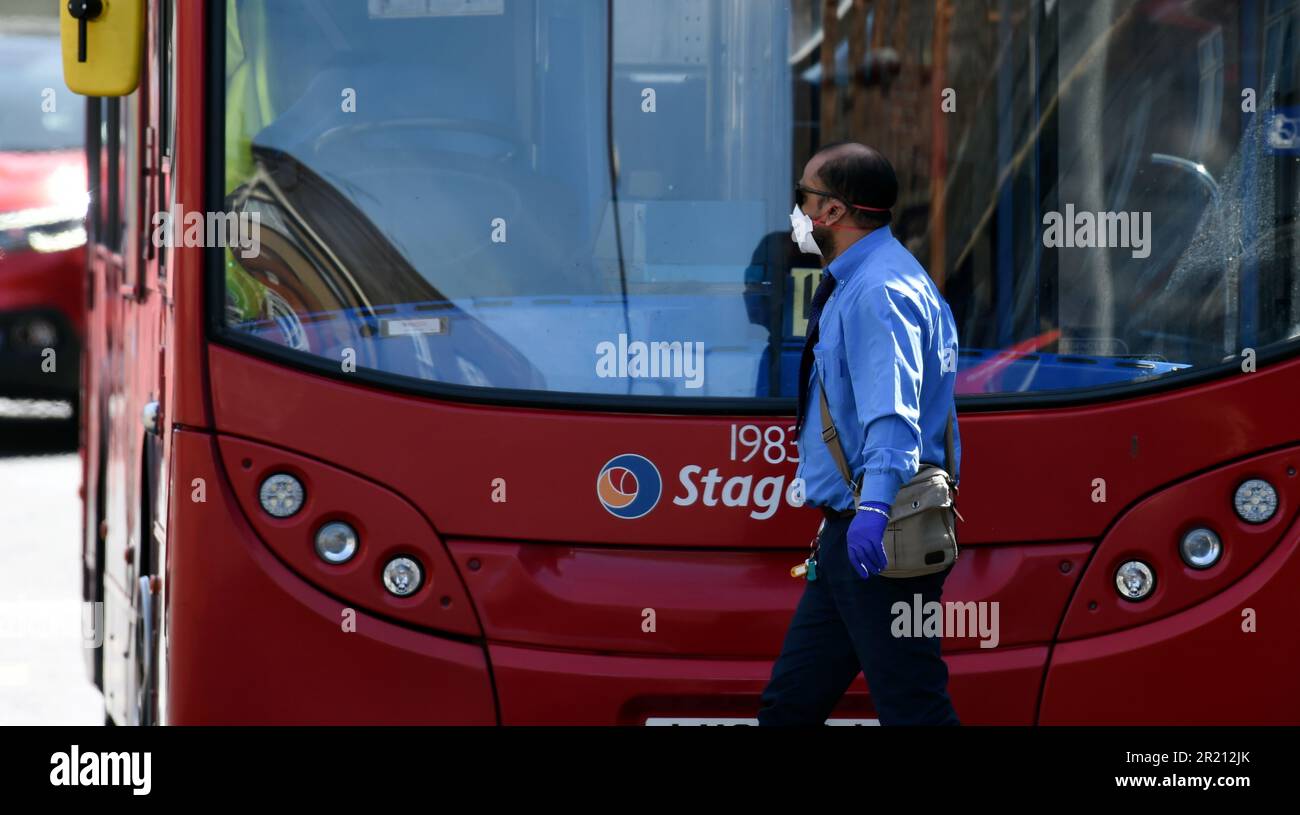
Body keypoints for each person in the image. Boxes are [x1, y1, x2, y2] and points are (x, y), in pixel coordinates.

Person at [757, 142, 962, 726]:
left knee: (913, 704)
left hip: (882, 535)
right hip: (849, 535)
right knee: (791, 705)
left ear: (833, 212)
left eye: (804, 198)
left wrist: (872, 507)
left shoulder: (877, 293)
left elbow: (892, 416)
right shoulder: (881, 278)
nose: (796, 214)